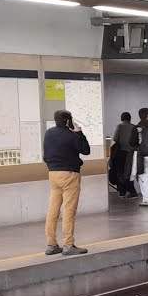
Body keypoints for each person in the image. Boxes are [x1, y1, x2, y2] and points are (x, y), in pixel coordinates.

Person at [43, 109, 90, 256]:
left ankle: (51, 244)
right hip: (69, 174)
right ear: (68, 121)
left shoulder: (48, 133)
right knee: (69, 211)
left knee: (53, 210)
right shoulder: (72, 135)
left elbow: (46, 155)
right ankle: (68, 245)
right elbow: (86, 150)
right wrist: (79, 132)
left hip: (53, 174)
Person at [110, 112, 138, 199]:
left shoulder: (120, 126)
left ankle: (122, 191)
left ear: (122, 118)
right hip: (132, 153)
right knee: (129, 173)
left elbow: (115, 139)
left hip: (121, 153)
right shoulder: (134, 127)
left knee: (120, 172)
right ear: (130, 118)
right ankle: (132, 191)